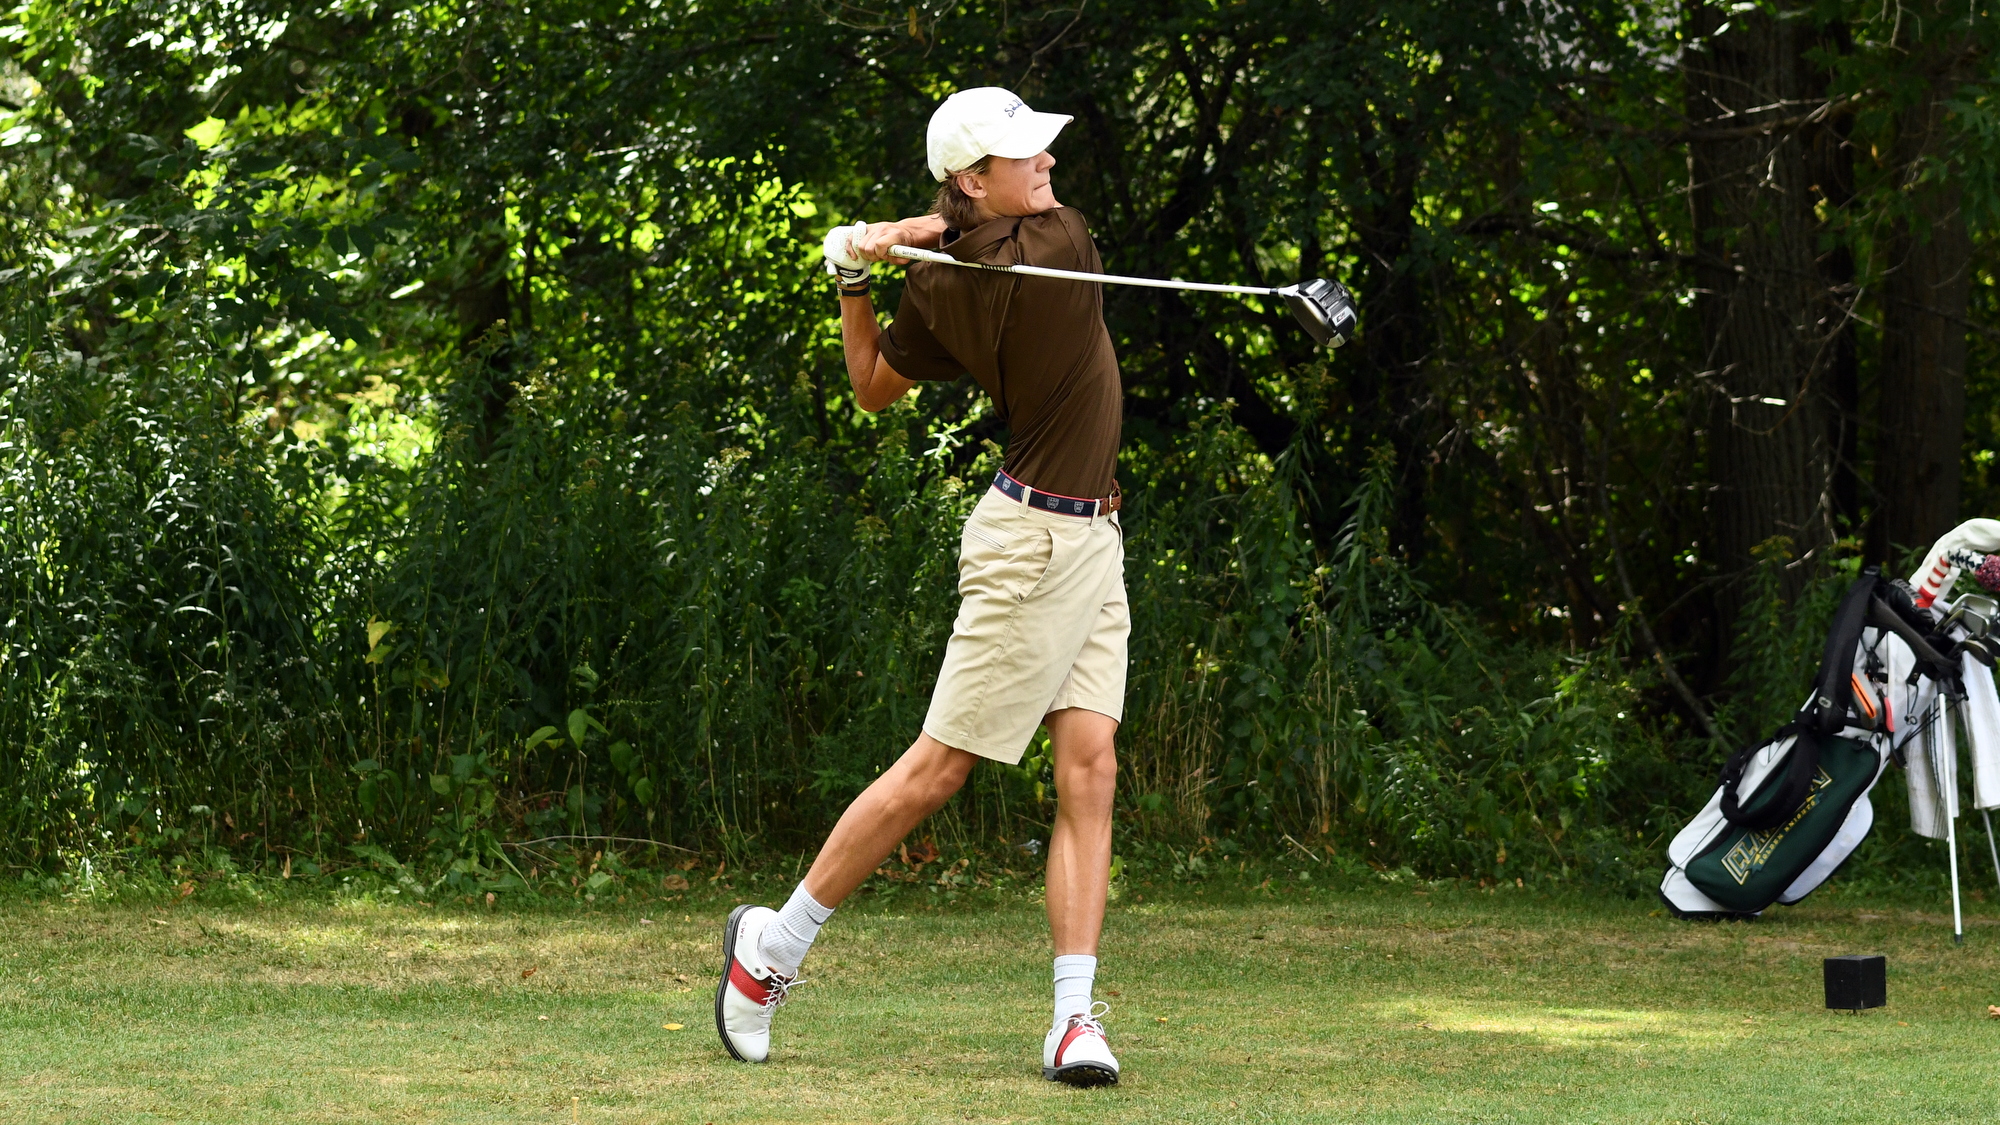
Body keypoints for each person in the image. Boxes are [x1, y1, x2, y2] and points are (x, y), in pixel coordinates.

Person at [714, 86, 1128, 1087]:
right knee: (938, 768)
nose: (1048, 165)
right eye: (1024, 156)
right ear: (974, 180)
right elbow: (875, 388)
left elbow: (874, 372)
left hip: (1093, 536)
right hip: (1030, 545)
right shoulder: (1025, 249)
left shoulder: (981, 262)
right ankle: (771, 948)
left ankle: (1073, 1021)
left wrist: (867, 260)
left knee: (1089, 767)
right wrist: (869, 266)